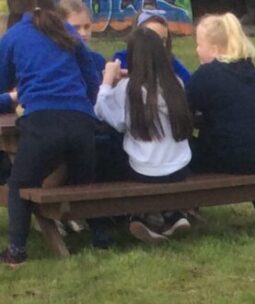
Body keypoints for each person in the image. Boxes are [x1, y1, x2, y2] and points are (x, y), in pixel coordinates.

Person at [0, 0, 104, 264]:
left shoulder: (13, 37)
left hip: (42, 121)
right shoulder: (67, 31)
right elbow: (91, 76)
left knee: (20, 183)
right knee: (85, 182)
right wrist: (87, 104)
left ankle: (16, 250)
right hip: (80, 120)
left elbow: (3, 80)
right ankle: (101, 237)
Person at [94, 25, 190, 242]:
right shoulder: (177, 85)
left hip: (143, 170)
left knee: (116, 155)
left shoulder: (129, 90)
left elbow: (104, 113)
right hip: (180, 168)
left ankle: (142, 218)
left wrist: (107, 83)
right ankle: (171, 216)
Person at [188, 11, 255, 176]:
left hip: (232, 159)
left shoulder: (206, 75)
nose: (197, 50)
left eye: (199, 45)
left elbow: (182, 112)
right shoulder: (251, 70)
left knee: (178, 153)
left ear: (214, 50)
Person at [110, 6, 190, 91]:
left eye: (163, 40)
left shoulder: (172, 63)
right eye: (152, 39)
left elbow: (190, 86)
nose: (159, 45)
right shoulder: (122, 60)